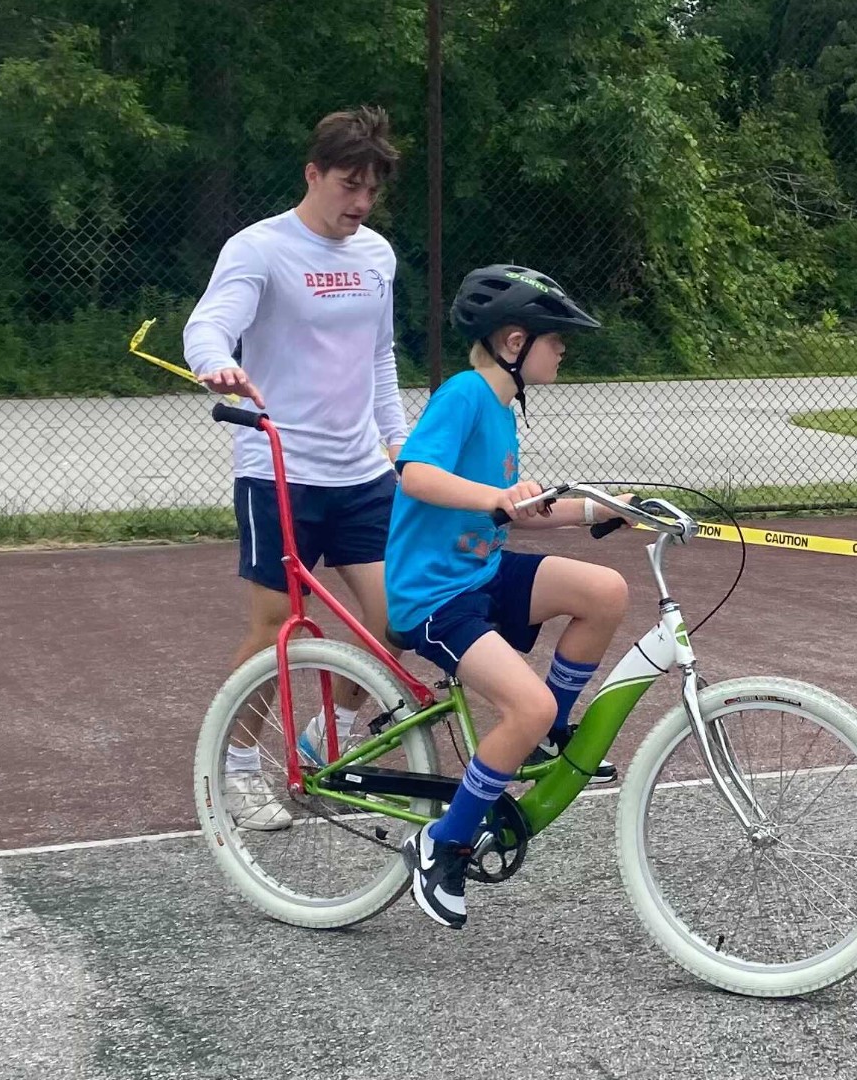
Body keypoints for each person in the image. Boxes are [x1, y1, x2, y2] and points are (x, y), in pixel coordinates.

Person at [183, 107, 410, 830]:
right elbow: (208, 323)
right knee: (280, 628)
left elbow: (379, 356)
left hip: (360, 473)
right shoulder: (259, 249)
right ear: (312, 174)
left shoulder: (377, 256)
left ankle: (323, 744)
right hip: (278, 470)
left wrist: (399, 444)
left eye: (371, 191)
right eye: (349, 185)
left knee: (395, 617)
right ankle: (237, 770)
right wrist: (215, 363)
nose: (361, 204)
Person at [388, 265, 632, 929]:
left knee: (604, 591)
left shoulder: (500, 412)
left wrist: (597, 512)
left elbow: (517, 513)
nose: (564, 351)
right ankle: (443, 843)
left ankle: (545, 733)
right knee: (523, 702)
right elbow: (415, 473)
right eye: (557, 339)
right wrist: (495, 496)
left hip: (482, 574)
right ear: (515, 341)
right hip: (433, 596)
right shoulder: (467, 393)